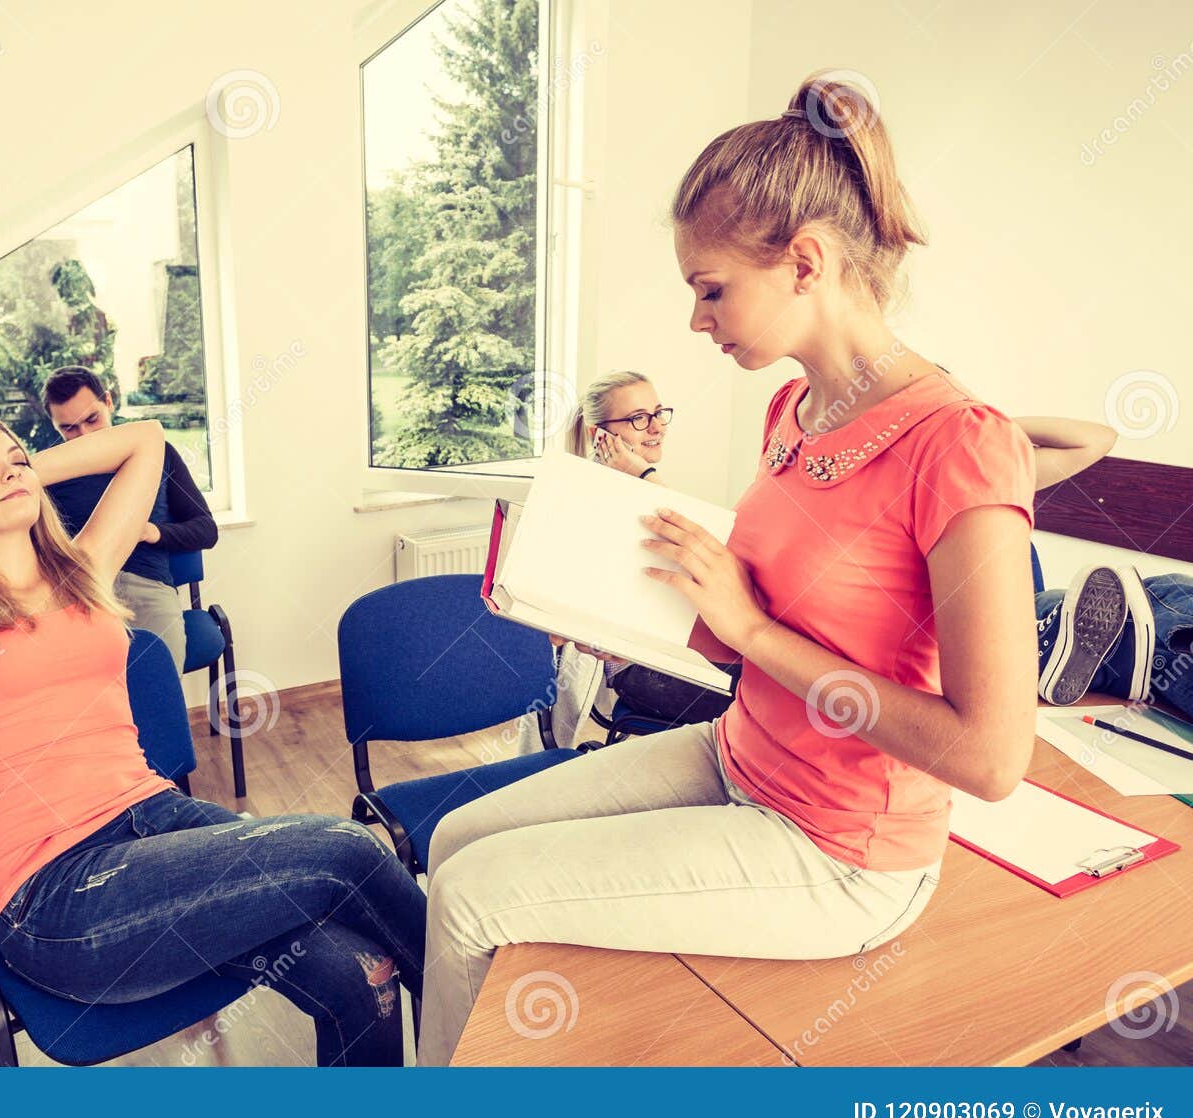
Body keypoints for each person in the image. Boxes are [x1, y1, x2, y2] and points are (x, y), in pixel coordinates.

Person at [417, 72, 1038, 1065]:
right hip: (736, 753)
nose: (697, 320)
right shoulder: (790, 413)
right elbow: (749, 628)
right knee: (452, 840)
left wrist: (750, 630)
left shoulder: (960, 443)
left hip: (842, 850)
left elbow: (990, 758)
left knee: (467, 897)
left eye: (710, 289)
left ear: (805, 262)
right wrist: (622, 610)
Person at [0, 413, 425, 1066]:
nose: (8, 471)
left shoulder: (84, 571)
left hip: (158, 821)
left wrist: (19, 473)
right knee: (343, 846)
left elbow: (145, 438)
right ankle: (478, 1042)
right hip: (56, 894)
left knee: (359, 974)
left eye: (15, 458)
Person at [570, 370, 740, 729]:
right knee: (755, 696)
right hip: (637, 666)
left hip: (677, 647)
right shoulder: (591, 498)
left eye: (659, 413)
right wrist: (645, 473)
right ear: (598, 434)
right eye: (638, 418)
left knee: (767, 676)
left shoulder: (640, 490)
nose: (657, 427)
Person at [42, 364, 217, 674]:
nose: (85, 435)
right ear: (55, 426)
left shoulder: (156, 453)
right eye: (69, 428)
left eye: (92, 419)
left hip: (145, 587)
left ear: (109, 402)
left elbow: (206, 530)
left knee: (156, 680)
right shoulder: (52, 472)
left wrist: (150, 532)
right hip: (83, 590)